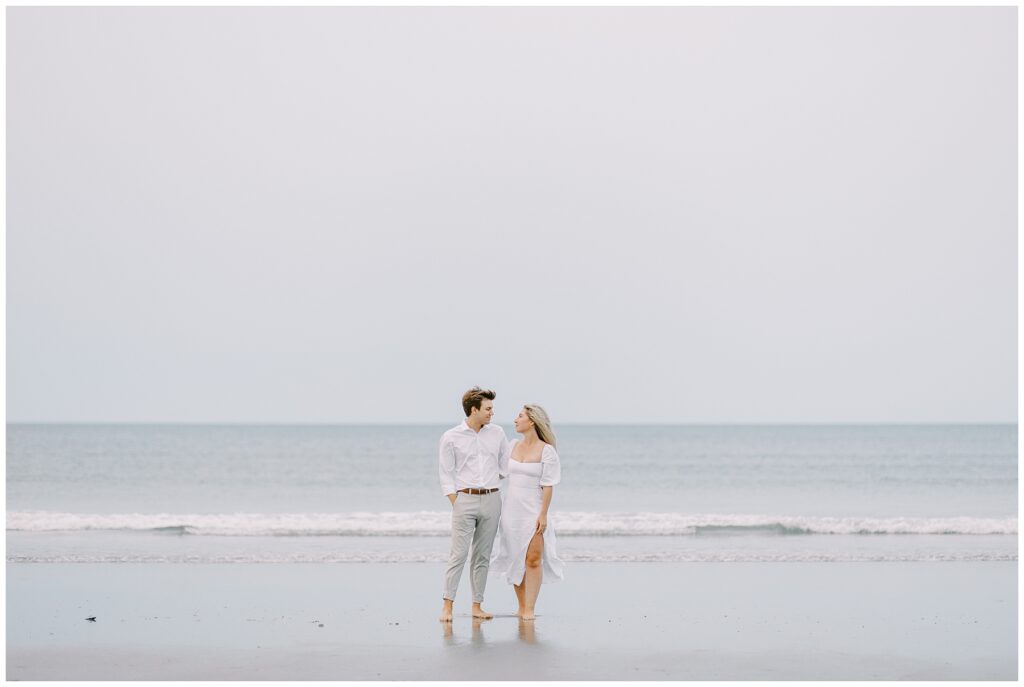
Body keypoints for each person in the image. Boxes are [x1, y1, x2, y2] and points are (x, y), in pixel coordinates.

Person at [438, 386, 510, 623]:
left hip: (492, 499)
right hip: (464, 500)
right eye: (488, 408)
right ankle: (447, 607)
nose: (492, 412)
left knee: (482, 556)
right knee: (458, 555)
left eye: (492, 408)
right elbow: (446, 474)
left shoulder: (497, 433)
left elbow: (504, 465)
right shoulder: (451, 437)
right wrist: (456, 502)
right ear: (474, 409)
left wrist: (490, 483)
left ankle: (477, 606)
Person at [490, 404, 564, 620]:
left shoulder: (547, 450)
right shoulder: (512, 445)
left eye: (519, 416)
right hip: (511, 509)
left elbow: (549, 485)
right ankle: (521, 607)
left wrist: (543, 514)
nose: (515, 420)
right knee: (515, 558)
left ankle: (529, 609)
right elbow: (499, 473)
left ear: (531, 421)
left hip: (533, 509)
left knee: (533, 559)